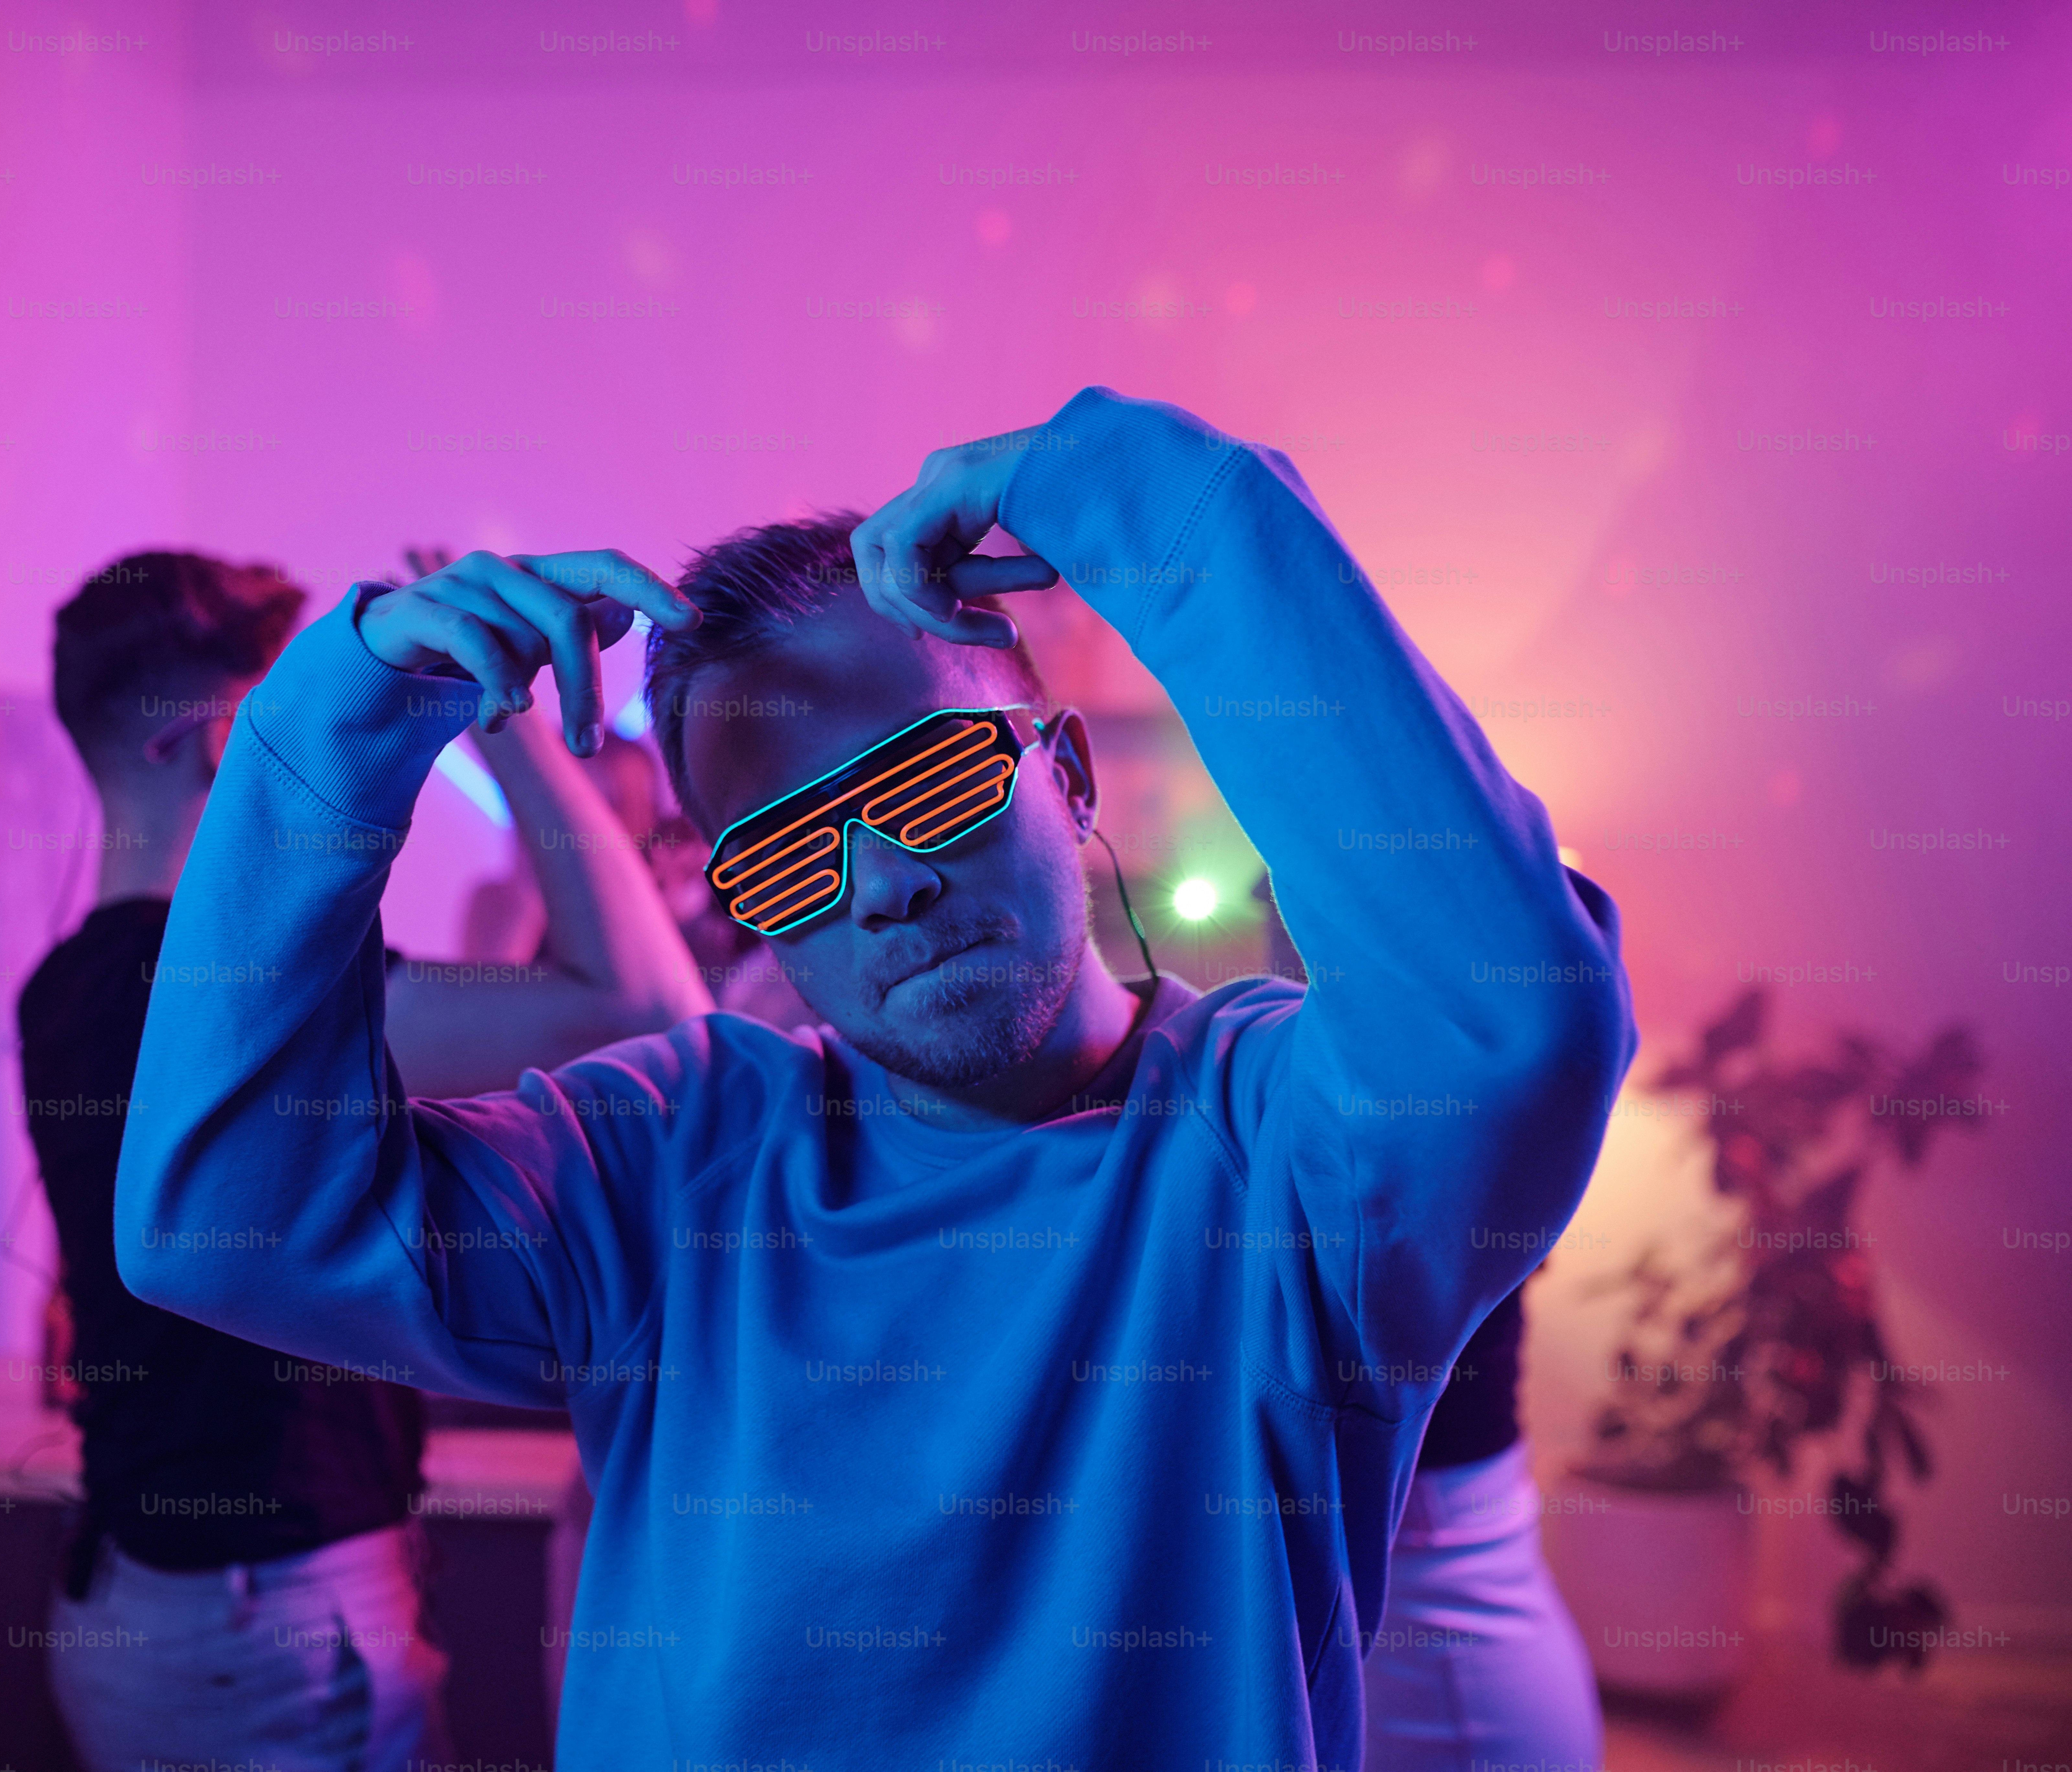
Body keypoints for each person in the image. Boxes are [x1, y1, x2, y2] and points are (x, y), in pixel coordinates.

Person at [113, 388, 1638, 1769]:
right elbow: (226, 1225)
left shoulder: (1274, 1158)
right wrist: (344, 726)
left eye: (933, 780)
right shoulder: (674, 1157)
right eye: (790, 855)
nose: (884, 883)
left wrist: (1158, 507)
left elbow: (1512, 1025)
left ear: (1069, 772)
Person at [19, 550, 709, 1772]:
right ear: (220, 736)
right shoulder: (226, 1003)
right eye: (280, 703)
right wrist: (505, 713)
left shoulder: (62, 989)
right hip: (272, 1616)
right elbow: (641, 1003)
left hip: (144, 1596)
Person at [1257, 878, 1607, 1772]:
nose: (1281, 951)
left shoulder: (1440, 1112)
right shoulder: (1307, 1084)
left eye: (1296, 922)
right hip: (1408, 1607)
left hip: (1447, 1640)